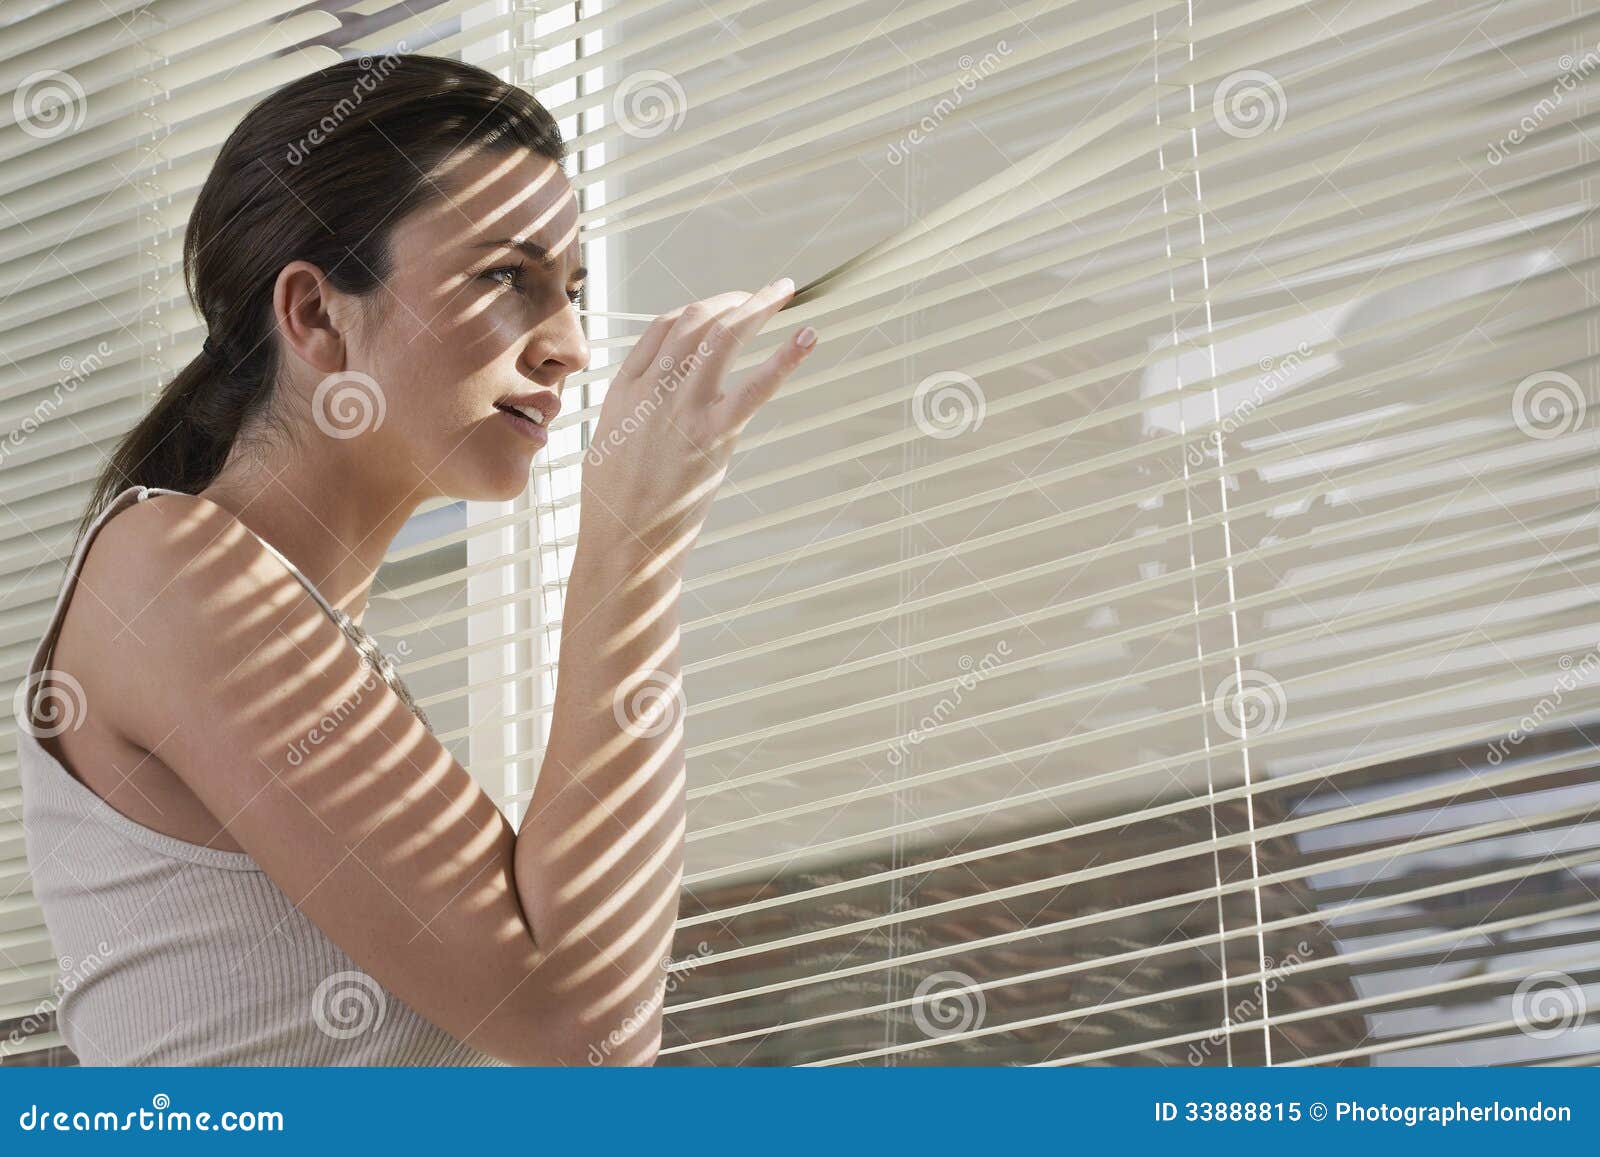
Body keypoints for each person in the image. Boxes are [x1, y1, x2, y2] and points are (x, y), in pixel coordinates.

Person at [16, 53, 817, 1066]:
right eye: (505, 278)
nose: (569, 342)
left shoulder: (282, 624)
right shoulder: (172, 572)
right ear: (314, 315)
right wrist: (633, 543)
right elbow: (580, 1032)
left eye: (570, 289)